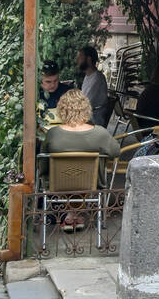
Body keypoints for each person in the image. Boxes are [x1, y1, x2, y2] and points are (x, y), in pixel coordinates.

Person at [44, 90, 124, 230]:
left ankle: (71, 215)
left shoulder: (52, 134)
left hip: (58, 184)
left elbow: (43, 160)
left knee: (66, 178)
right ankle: (75, 215)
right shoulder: (99, 133)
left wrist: (44, 179)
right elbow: (115, 151)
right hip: (90, 184)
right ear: (87, 109)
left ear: (61, 110)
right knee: (82, 179)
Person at [76, 46, 109, 128]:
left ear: (89, 59)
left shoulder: (97, 78)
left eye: (80, 57)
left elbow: (85, 104)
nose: (77, 61)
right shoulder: (88, 76)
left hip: (92, 122)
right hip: (85, 118)